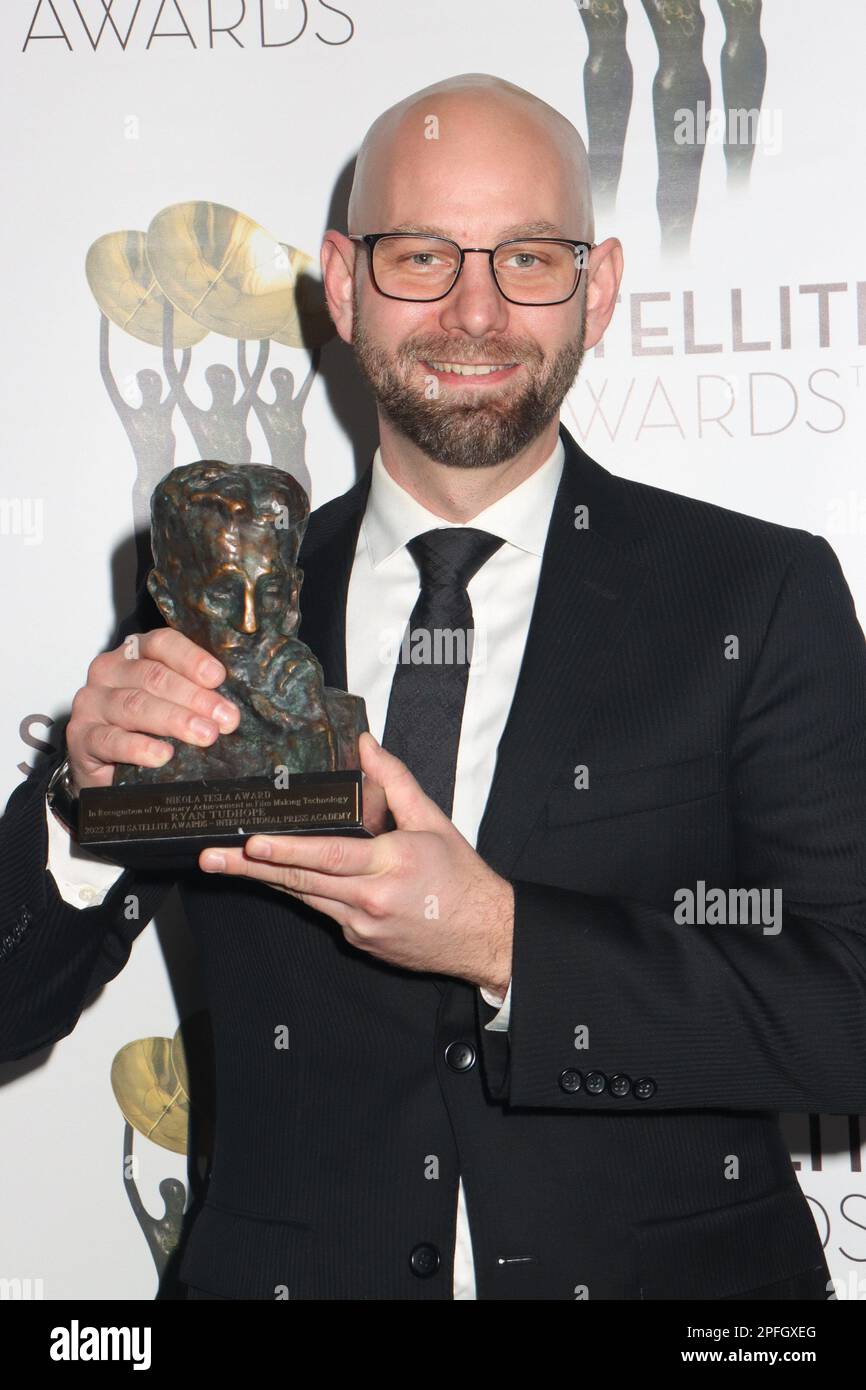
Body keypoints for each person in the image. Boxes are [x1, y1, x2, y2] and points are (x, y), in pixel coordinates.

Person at [3, 71, 866, 1301]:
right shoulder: (217, 595)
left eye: (527, 257)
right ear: (345, 283)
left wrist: (510, 944)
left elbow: (846, 1012)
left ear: (597, 286)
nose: (474, 310)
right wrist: (75, 817)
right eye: (422, 255)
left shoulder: (751, 595)